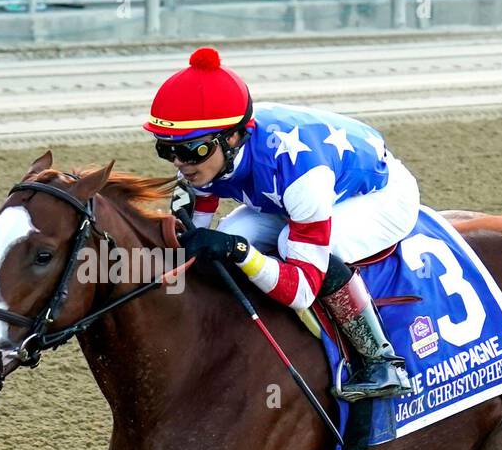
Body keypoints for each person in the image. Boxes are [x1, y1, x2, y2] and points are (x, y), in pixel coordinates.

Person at [146, 47, 418, 400]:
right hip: (284, 196)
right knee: (227, 235)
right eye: (166, 150)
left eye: (191, 151)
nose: (179, 163)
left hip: (377, 196)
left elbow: (302, 290)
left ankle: (380, 361)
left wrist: (241, 253)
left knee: (288, 244)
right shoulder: (212, 152)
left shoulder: (304, 179)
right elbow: (197, 234)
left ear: (232, 138)